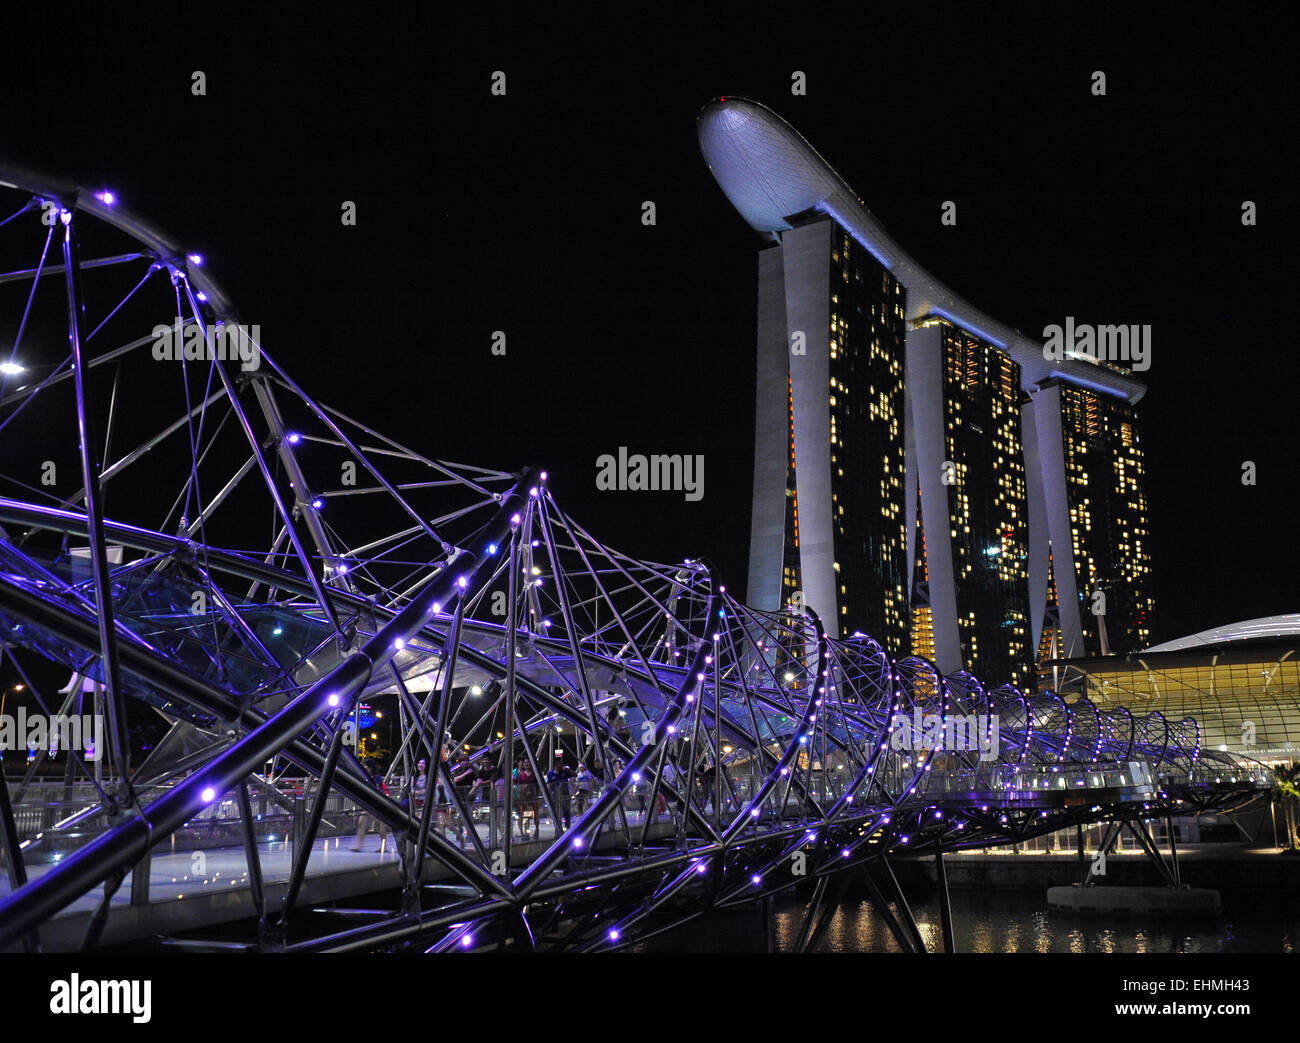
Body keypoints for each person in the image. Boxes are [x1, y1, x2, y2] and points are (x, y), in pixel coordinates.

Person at [351, 757, 391, 851]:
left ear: (370, 767)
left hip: (378, 804)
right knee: (361, 823)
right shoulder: (365, 777)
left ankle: (384, 846)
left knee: (379, 826)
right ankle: (359, 845)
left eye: (366, 766)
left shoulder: (376, 778)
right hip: (369, 804)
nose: (365, 767)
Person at [546, 754, 574, 831]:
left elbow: (574, 774)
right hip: (555, 795)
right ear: (556, 764)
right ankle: (558, 828)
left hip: (565, 794)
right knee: (557, 812)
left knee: (566, 811)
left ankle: (567, 827)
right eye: (560, 764)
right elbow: (549, 785)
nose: (561, 765)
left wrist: (568, 770)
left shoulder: (565, 772)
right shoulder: (550, 774)